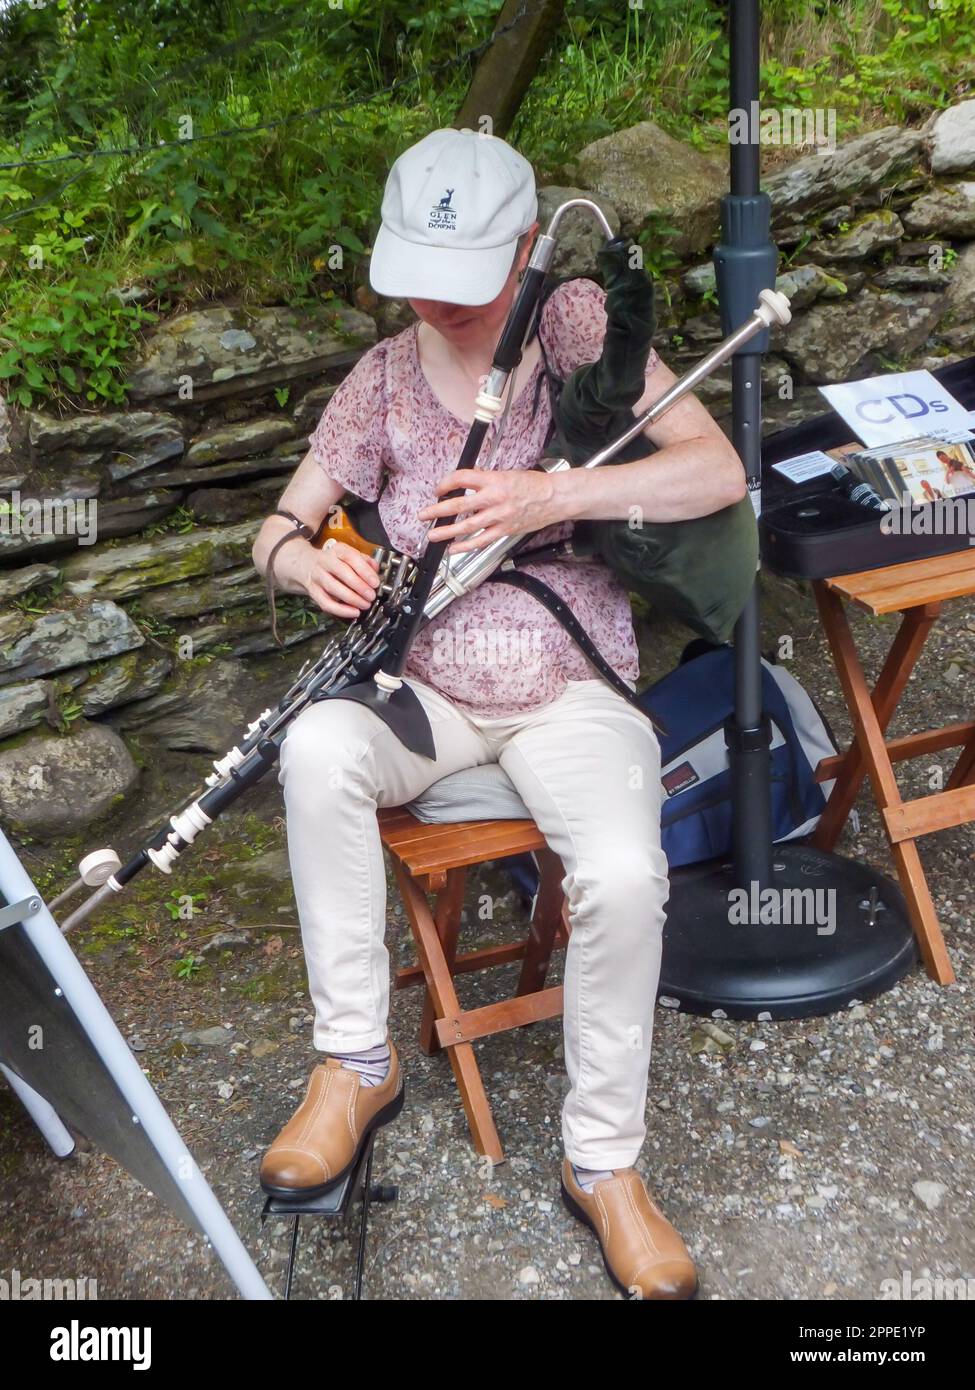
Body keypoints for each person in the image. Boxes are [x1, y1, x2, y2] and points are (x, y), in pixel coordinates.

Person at [251, 127, 745, 1300]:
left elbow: (715, 470)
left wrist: (554, 491)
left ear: (525, 248)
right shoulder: (378, 379)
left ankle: (605, 1163)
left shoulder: (574, 328)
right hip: (426, 695)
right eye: (420, 271)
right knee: (315, 743)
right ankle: (355, 1062)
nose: (439, 301)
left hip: (569, 689)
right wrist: (302, 561)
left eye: (466, 277)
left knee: (624, 876)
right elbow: (276, 524)